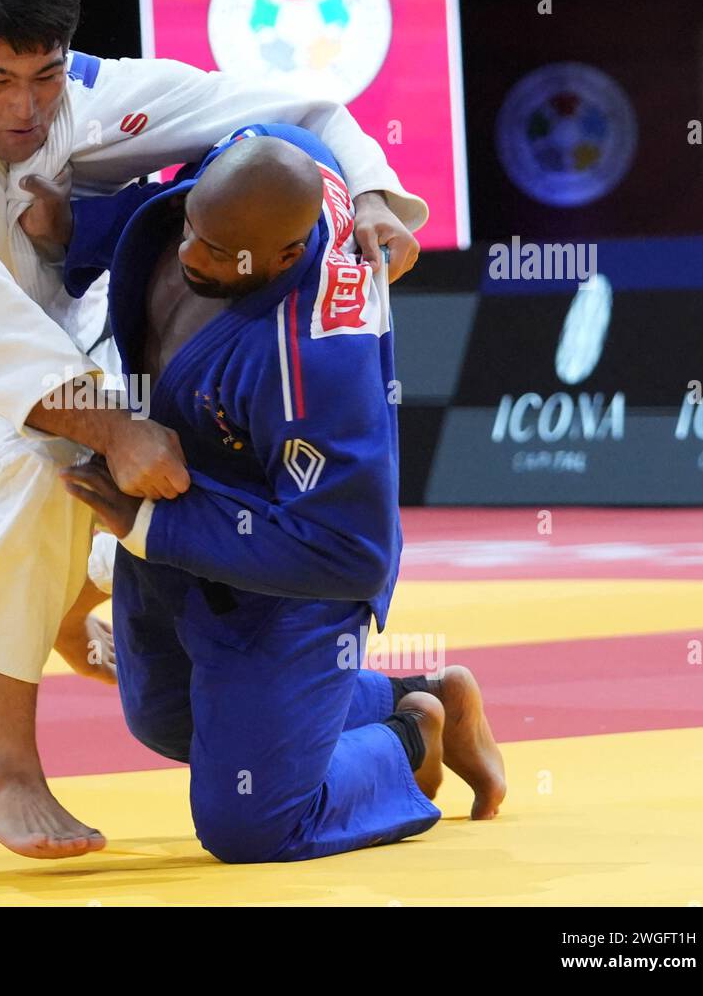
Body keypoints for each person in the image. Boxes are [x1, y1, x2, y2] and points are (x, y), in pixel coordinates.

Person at [0, 0, 426, 860]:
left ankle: (364, 698)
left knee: (143, 478)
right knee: (39, 467)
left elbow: (295, 109)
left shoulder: (95, 97)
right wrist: (115, 430)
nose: (26, 109)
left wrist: (370, 192)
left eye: (45, 75)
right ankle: (4, 765)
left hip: (73, 355)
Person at [42, 124, 505, 860]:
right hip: (184, 502)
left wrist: (150, 526)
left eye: (220, 254)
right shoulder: (260, 160)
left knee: (250, 824)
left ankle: (408, 740)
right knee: (167, 716)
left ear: (287, 256)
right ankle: (424, 694)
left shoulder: (315, 362)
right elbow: (315, 114)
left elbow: (350, 550)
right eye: (191, 231)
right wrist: (77, 225)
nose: (191, 256)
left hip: (288, 571)